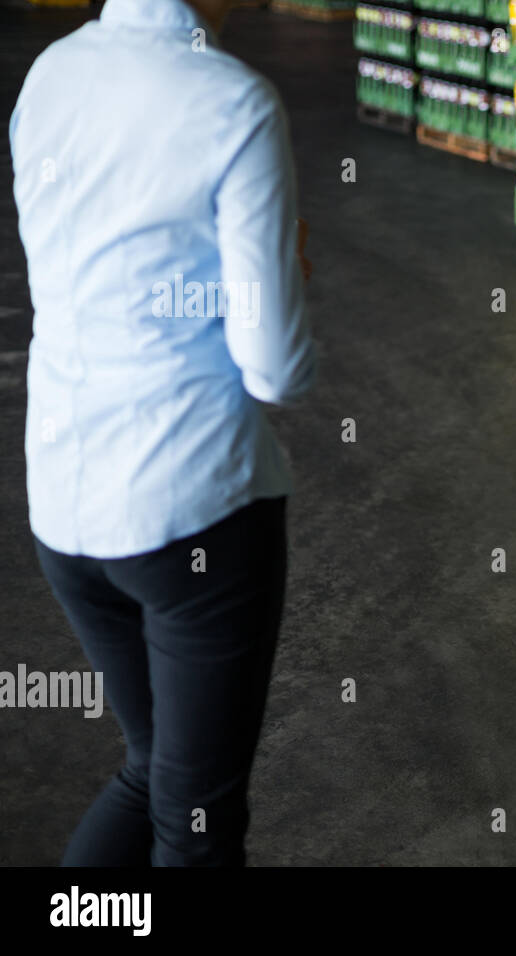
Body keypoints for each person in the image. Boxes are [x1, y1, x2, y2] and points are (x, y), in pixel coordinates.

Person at [10, 0, 315, 864]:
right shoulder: (231, 101)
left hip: (64, 509)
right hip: (191, 515)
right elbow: (276, 368)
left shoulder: (50, 76)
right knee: (197, 825)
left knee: (151, 776)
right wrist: (288, 270)